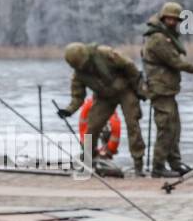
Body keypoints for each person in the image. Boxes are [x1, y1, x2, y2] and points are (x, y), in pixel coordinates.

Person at [56, 42, 148, 175]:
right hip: (104, 97)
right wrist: (69, 110)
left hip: (125, 91)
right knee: (92, 127)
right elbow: (78, 97)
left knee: (132, 124)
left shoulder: (105, 53)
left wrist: (139, 88)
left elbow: (129, 66)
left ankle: (138, 164)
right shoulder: (78, 75)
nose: (83, 66)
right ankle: (88, 160)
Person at [141, 1, 193, 176]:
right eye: (169, 19)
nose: (172, 22)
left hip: (168, 89)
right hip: (160, 89)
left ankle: (175, 162)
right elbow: (175, 62)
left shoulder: (166, 36)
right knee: (166, 128)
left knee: (175, 127)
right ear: (163, 18)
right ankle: (158, 167)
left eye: (175, 20)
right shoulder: (158, 39)